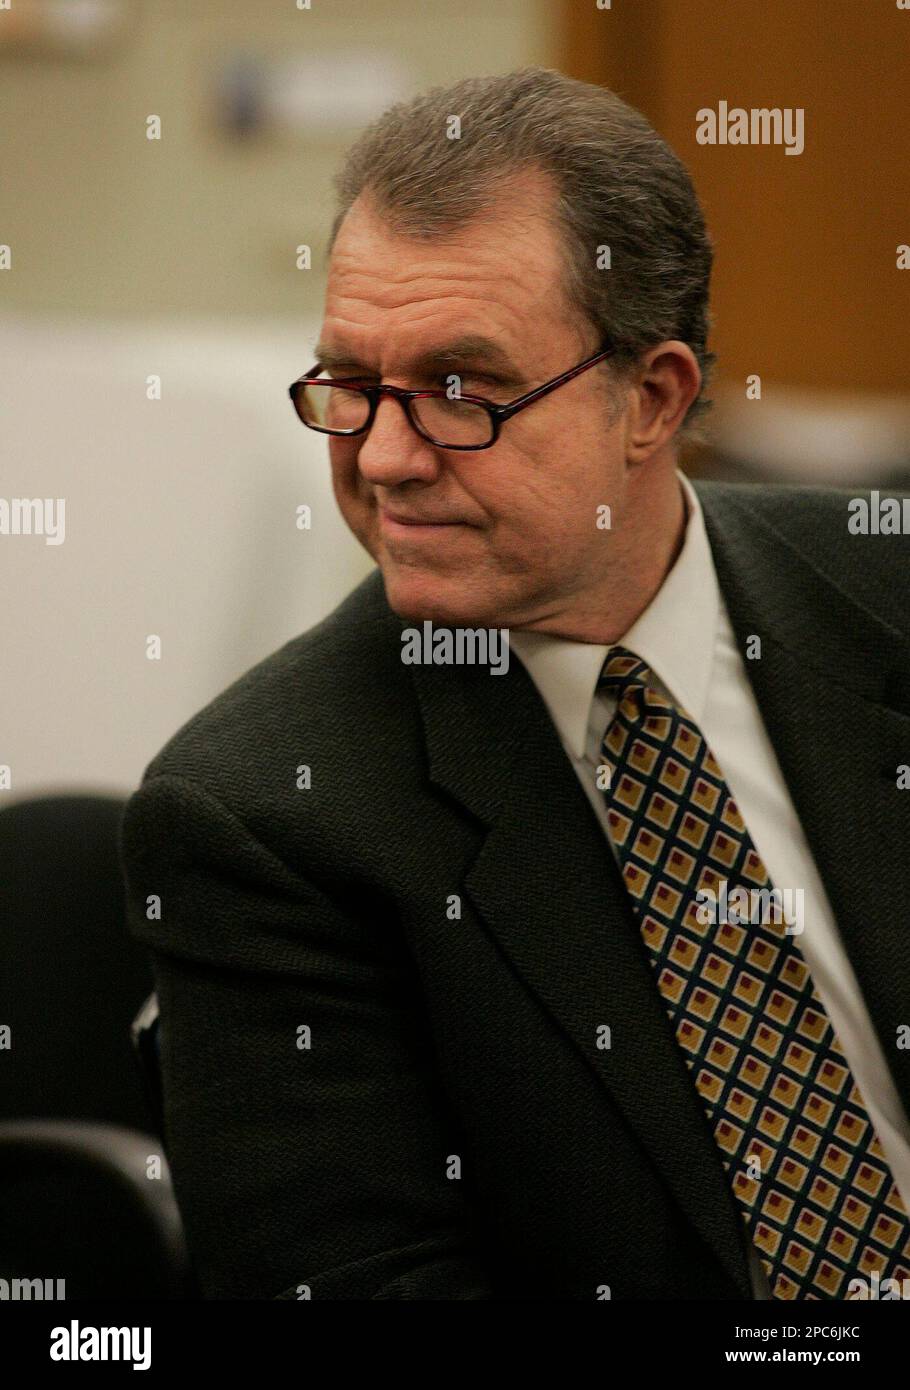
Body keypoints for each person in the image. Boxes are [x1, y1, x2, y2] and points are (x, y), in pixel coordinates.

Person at [120, 67, 910, 1300]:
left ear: (650, 400)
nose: (382, 458)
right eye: (349, 386)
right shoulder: (266, 814)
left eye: (457, 390)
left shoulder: (885, 595)